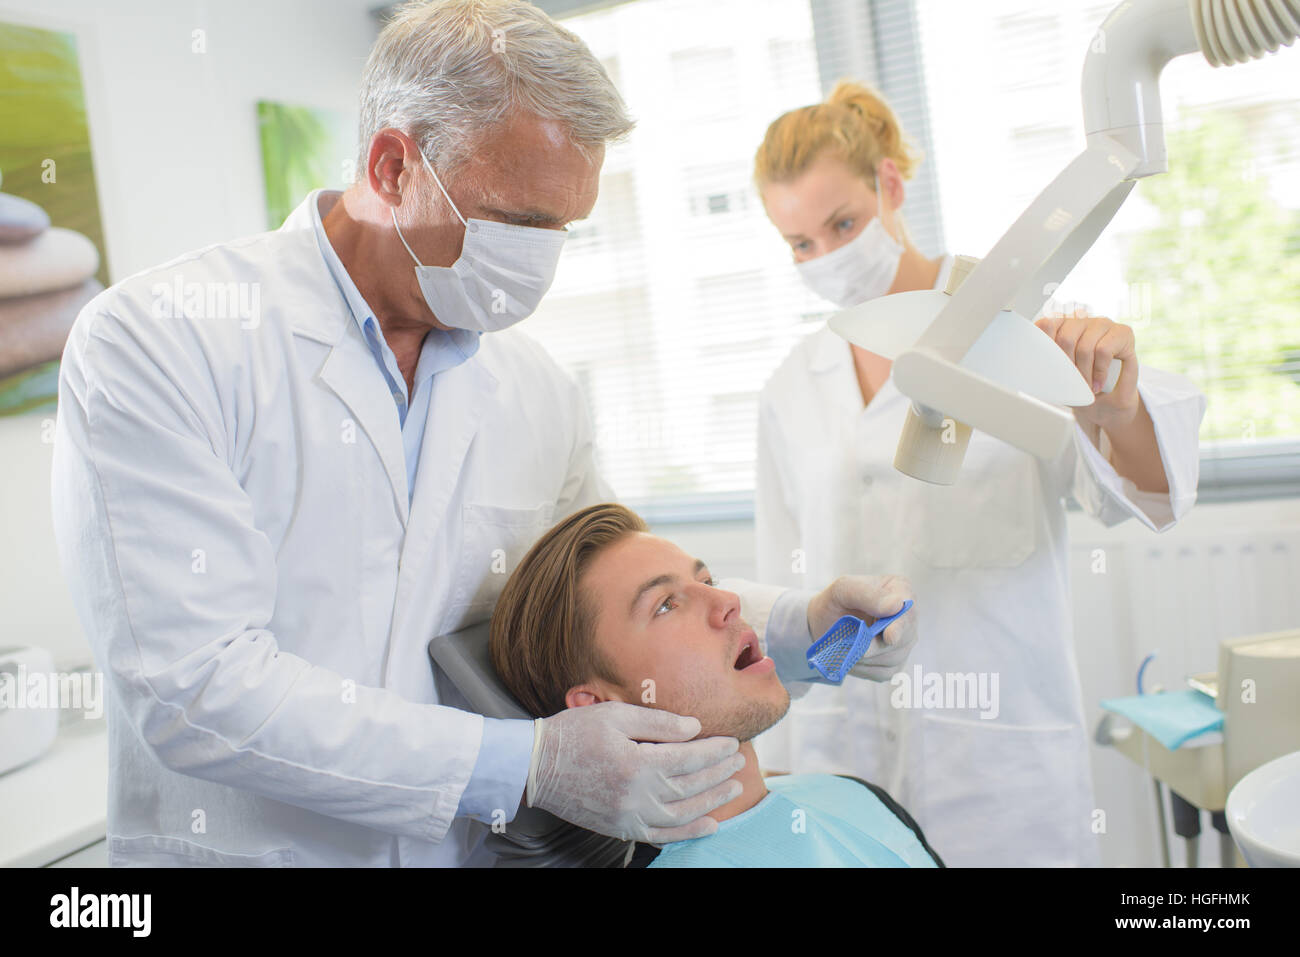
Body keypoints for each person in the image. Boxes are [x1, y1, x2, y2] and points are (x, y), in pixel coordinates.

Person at [48, 1, 917, 867]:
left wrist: (800, 625)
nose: (542, 257)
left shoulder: (532, 386)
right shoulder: (164, 341)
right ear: (392, 166)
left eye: (565, 227)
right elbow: (195, 689)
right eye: (518, 221)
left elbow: (607, 578)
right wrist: (522, 764)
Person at [749, 81, 1207, 867]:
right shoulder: (791, 385)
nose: (824, 258)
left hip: (1000, 766)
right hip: (847, 755)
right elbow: (780, 587)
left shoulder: (1008, 327)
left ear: (890, 184)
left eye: (843, 225)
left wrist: (1115, 397)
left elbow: (1134, 486)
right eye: (800, 243)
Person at [489, 502, 939, 868]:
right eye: (666, 605)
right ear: (597, 708)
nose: (728, 601)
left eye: (708, 581)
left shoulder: (855, 798)